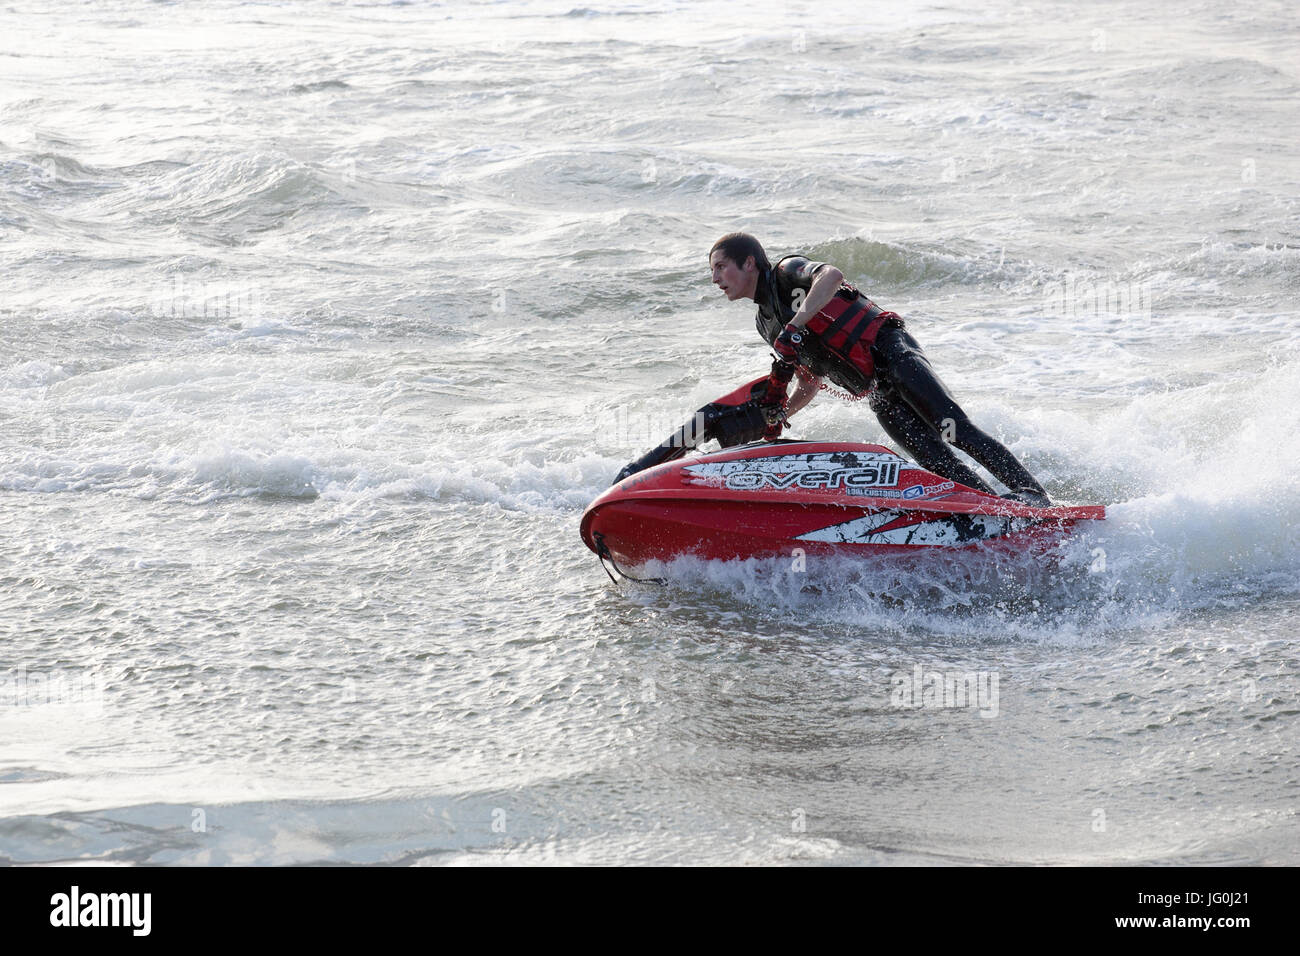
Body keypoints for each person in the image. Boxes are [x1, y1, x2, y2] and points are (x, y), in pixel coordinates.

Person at [708, 231, 1052, 506]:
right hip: (877, 392)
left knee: (956, 430)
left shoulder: (787, 271)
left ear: (749, 262)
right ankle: (994, 510)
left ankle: (1035, 497)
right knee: (936, 461)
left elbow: (832, 275)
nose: (715, 278)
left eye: (720, 267)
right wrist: (782, 412)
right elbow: (811, 381)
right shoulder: (765, 323)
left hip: (891, 353)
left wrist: (796, 324)